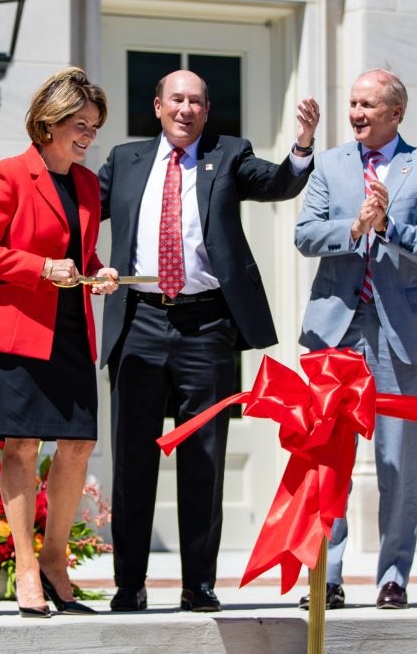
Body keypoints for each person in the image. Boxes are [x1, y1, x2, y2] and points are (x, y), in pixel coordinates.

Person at [99, 69, 320, 612]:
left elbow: (278, 183)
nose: (186, 109)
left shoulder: (230, 153)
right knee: (132, 460)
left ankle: (198, 584)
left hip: (206, 327)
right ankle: (129, 585)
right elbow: (79, 215)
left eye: (196, 100)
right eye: (176, 98)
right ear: (157, 105)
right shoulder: (124, 161)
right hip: (140, 323)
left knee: (205, 456)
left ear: (206, 108)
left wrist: (302, 146)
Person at [0, 67, 118, 618]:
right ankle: (25, 565)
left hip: (72, 328)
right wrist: (41, 268)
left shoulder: (89, 183)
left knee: (77, 444)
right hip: (17, 330)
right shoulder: (7, 176)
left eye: (94, 126)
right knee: (21, 447)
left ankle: (54, 561)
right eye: (80, 124)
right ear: (49, 123)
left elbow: (82, 251)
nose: (88, 136)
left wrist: (99, 271)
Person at [294, 68, 417, 611]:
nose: (357, 113)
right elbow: (305, 235)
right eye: (353, 103)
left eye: (368, 105)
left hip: (400, 335)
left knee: (397, 462)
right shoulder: (330, 164)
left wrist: (388, 226)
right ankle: (327, 576)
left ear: (395, 112)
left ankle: (392, 576)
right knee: (327, 456)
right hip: (335, 329)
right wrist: (355, 229)